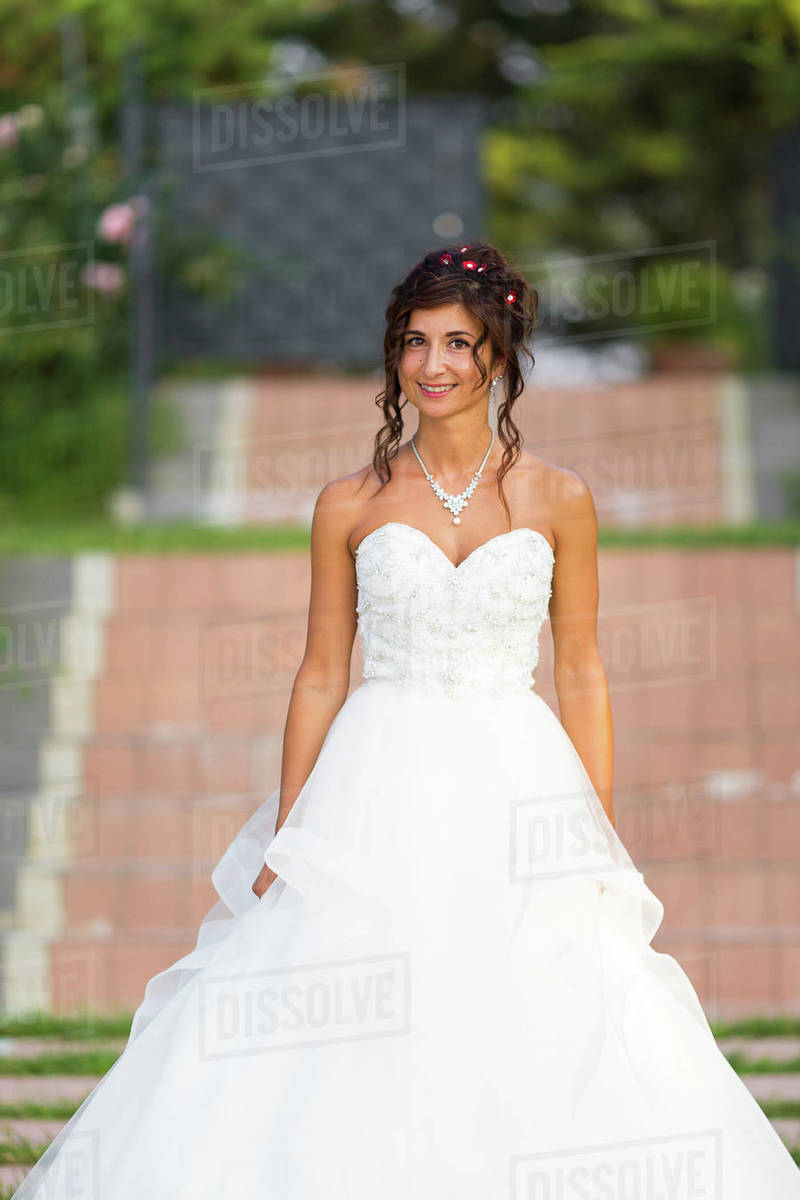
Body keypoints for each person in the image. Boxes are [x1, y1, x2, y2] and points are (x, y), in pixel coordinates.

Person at [12, 241, 800, 1198]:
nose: (433, 365)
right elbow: (317, 674)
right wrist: (291, 825)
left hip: (517, 777)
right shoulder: (349, 503)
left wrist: (594, 832)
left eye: (459, 344)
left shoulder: (560, 500)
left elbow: (583, 669)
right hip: (373, 782)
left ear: (500, 357)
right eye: (415, 342)